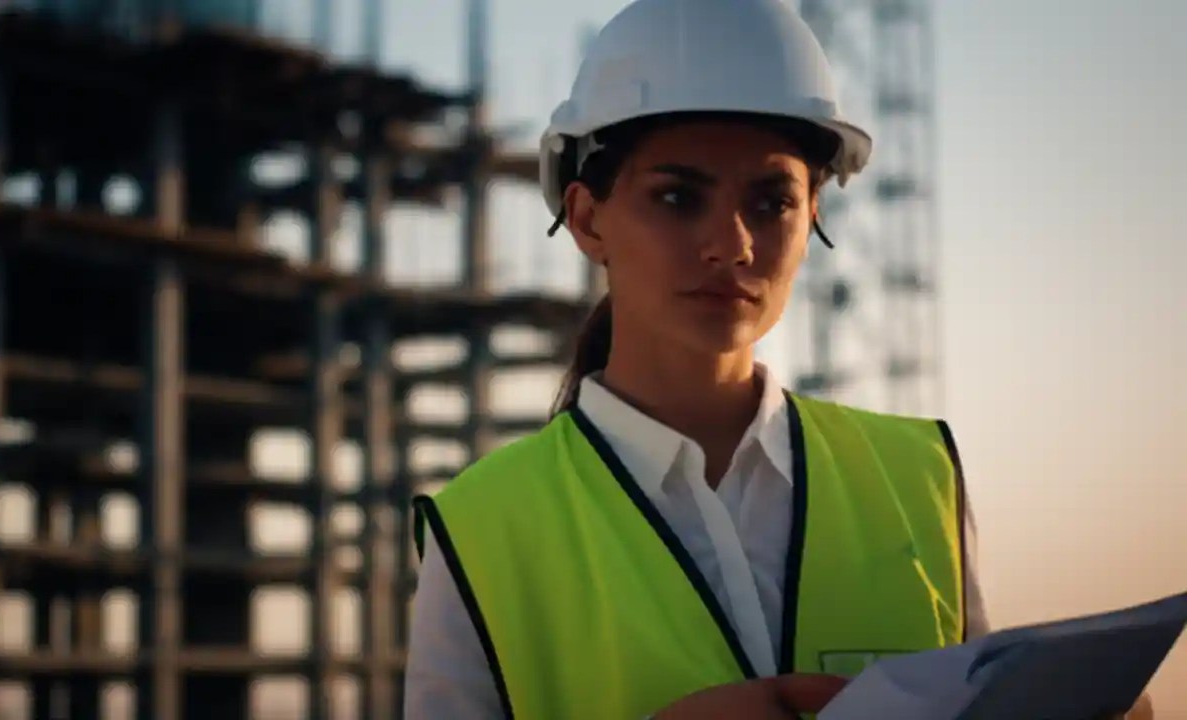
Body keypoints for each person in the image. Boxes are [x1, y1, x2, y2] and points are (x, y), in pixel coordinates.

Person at [403, 1, 1150, 718]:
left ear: (813, 218)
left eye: (771, 203)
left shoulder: (919, 477)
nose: (732, 245)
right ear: (588, 219)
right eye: (676, 198)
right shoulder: (481, 530)